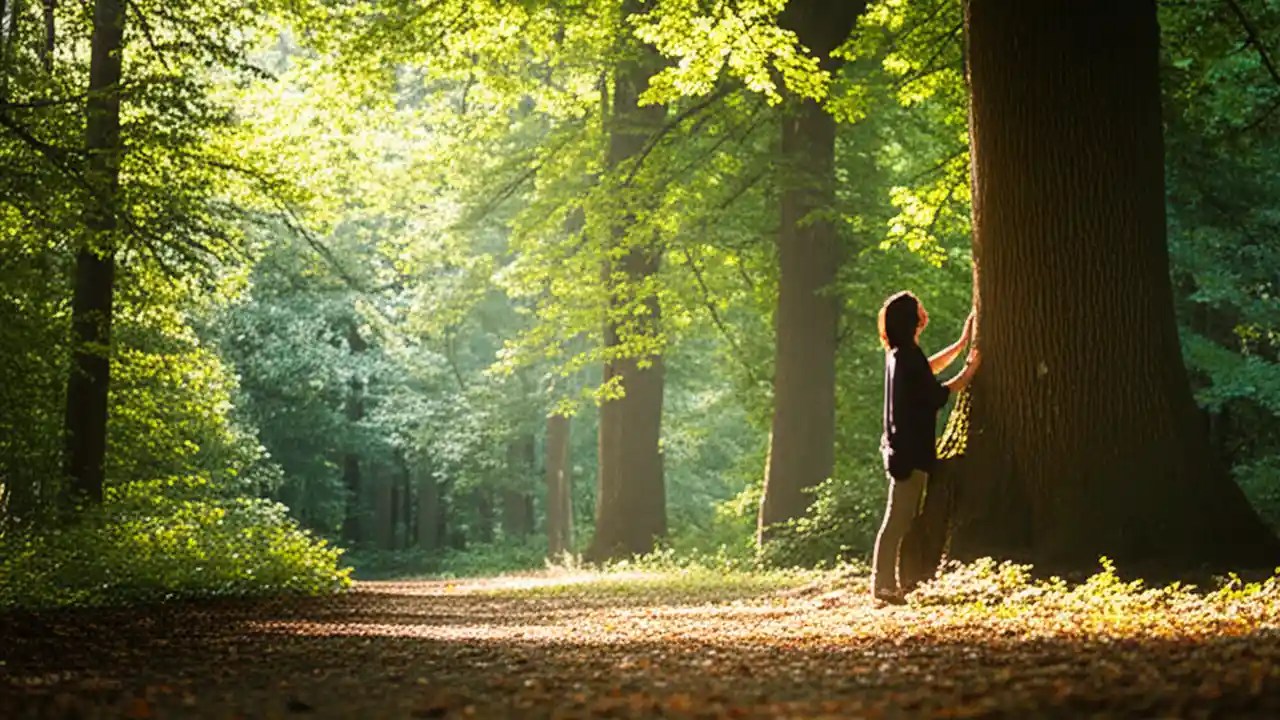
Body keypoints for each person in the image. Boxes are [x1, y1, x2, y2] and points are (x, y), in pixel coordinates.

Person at [871, 291, 980, 605]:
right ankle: (883, 586)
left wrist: (961, 346)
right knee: (898, 520)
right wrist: (971, 371)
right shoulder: (906, 356)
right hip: (909, 452)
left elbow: (928, 370)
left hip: (901, 448)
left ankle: (886, 584)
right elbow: (936, 393)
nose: (925, 313)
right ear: (912, 319)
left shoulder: (900, 354)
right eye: (920, 309)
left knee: (899, 518)